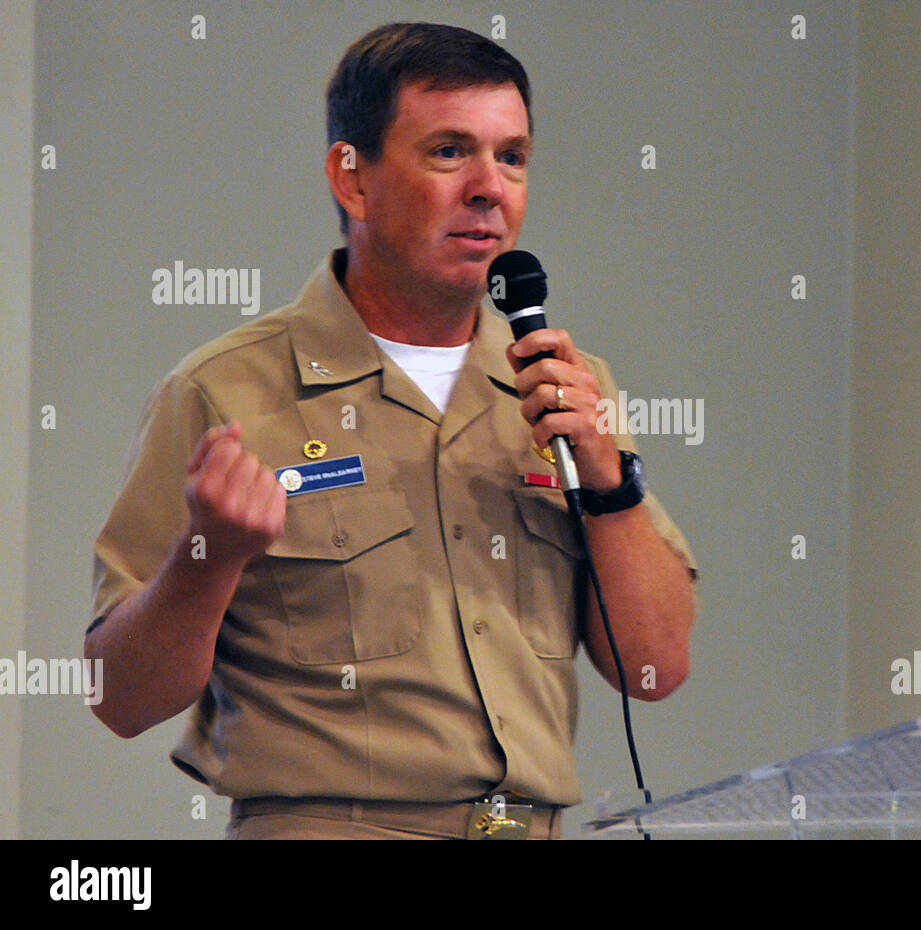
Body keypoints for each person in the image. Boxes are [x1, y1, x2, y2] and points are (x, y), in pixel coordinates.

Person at [86, 22, 697, 840]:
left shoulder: (564, 391)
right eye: (449, 152)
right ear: (353, 178)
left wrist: (611, 482)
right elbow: (118, 698)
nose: (489, 188)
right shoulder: (225, 391)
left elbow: (653, 670)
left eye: (511, 157)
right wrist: (212, 555)